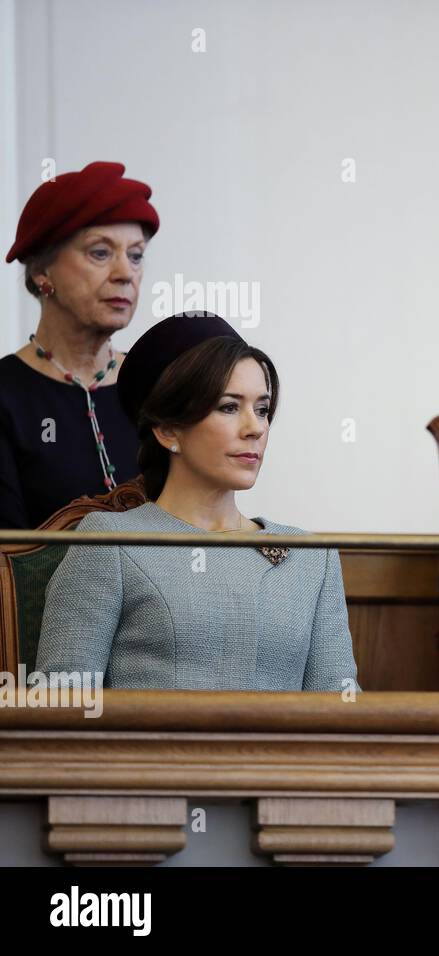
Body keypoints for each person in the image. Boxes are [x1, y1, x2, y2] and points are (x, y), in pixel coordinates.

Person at [35, 313, 358, 692]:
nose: (255, 428)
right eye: (228, 406)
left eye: (262, 409)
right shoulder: (109, 542)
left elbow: (341, 712)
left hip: (282, 755)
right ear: (168, 429)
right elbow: (62, 710)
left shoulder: (310, 557)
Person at [1, 161, 159, 527]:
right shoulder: (6, 395)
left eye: (135, 255)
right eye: (100, 253)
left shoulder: (162, 386)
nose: (125, 274)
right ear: (43, 271)